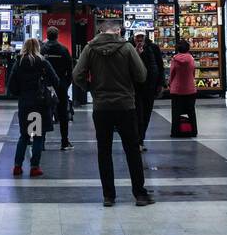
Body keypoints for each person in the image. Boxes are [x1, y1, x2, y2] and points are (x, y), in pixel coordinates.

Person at [73, 18, 153, 207]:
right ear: (117, 31)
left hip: (101, 107)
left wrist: (91, 89)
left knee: (104, 151)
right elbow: (141, 74)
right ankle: (139, 195)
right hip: (126, 106)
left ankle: (109, 196)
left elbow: (77, 75)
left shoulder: (90, 48)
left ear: (101, 31)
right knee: (132, 150)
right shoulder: (127, 48)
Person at [8, 38, 59, 176]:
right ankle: (34, 167)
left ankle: (17, 166)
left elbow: (11, 85)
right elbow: (56, 80)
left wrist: (21, 93)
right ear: (38, 47)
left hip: (25, 103)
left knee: (24, 135)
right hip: (39, 103)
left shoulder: (18, 62)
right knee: (37, 135)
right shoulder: (42, 62)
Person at [41, 28, 74, 150]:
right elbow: (70, 70)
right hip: (60, 85)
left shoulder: (42, 50)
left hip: (45, 86)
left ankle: (41, 142)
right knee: (63, 114)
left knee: (43, 111)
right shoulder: (63, 50)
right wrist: (66, 84)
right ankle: (64, 141)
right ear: (57, 36)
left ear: (47, 36)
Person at [133, 31, 165, 151]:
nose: (140, 40)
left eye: (142, 38)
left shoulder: (153, 48)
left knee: (146, 114)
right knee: (137, 115)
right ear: (134, 38)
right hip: (135, 87)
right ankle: (137, 141)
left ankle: (141, 139)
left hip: (150, 87)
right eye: (137, 38)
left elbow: (160, 66)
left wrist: (161, 83)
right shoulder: (130, 48)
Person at [168, 39, 198, 137]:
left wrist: (169, 84)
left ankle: (175, 132)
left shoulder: (174, 59)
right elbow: (193, 72)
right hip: (190, 89)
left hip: (177, 90)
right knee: (191, 111)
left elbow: (172, 73)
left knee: (176, 112)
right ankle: (193, 131)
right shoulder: (191, 59)